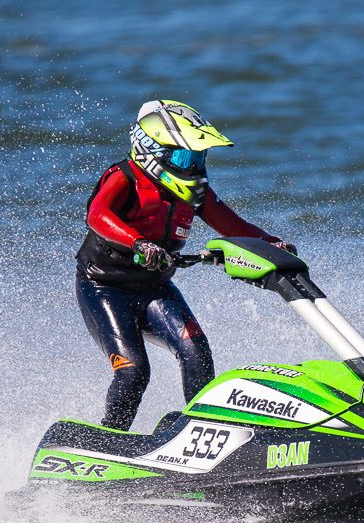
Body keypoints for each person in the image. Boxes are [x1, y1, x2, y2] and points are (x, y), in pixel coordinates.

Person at [75, 99, 296, 431]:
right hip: (104, 288)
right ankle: (108, 443)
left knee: (196, 352)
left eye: (198, 157)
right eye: (182, 156)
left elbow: (234, 227)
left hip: (154, 289)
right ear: (152, 150)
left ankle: (201, 430)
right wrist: (139, 242)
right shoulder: (124, 177)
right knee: (134, 370)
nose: (192, 167)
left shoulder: (195, 193)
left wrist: (271, 244)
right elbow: (97, 215)